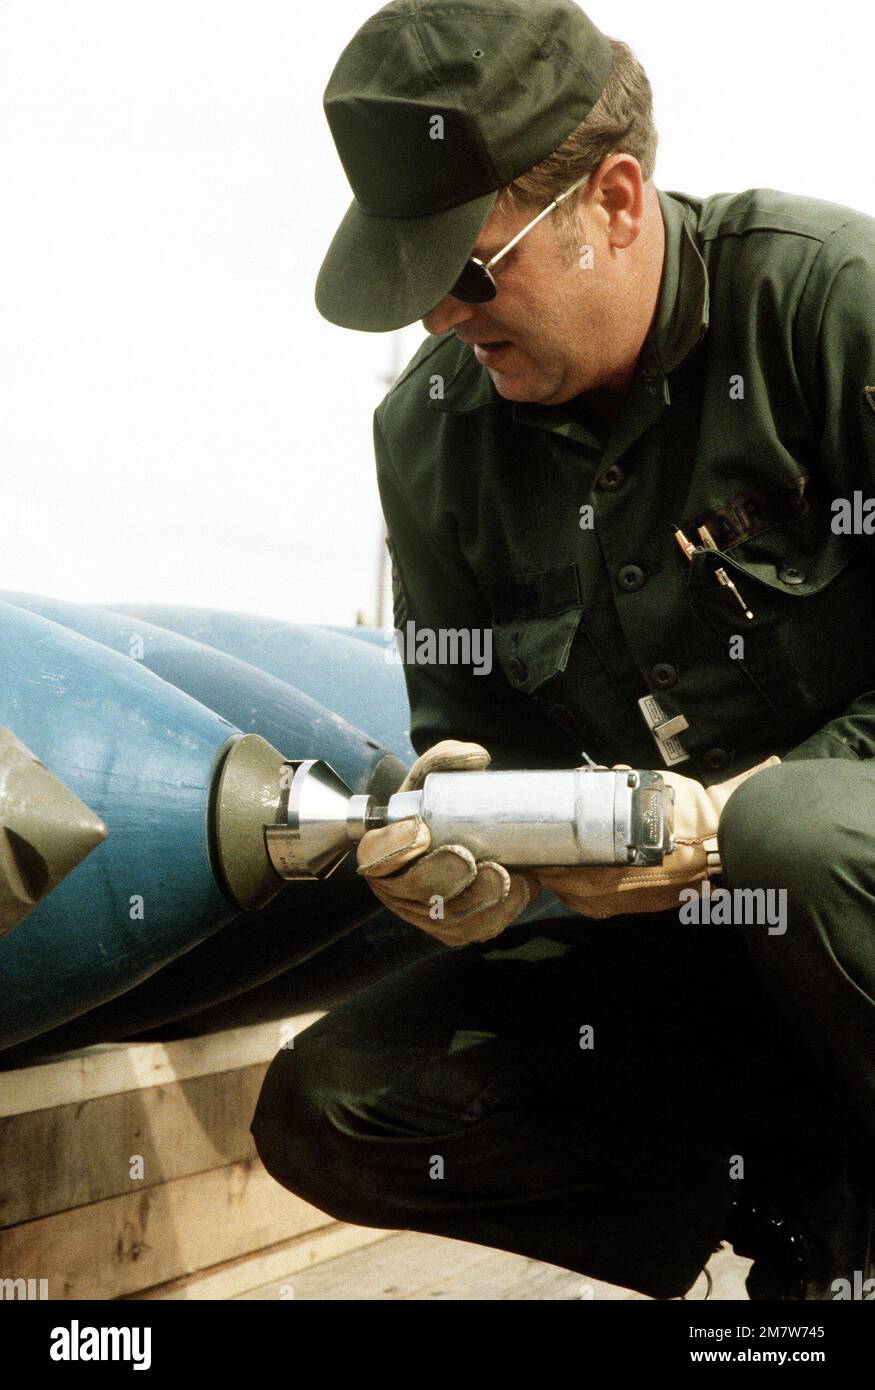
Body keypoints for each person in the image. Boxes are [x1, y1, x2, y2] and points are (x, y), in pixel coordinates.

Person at [252, 0, 875, 1299]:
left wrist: (729, 817)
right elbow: (485, 741)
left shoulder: (829, 311)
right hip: (701, 963)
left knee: (791, 845)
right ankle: (796, 1213)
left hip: (839, 891)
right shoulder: (431, 438)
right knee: (342, 1095)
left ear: (617, 199)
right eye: (408, 280)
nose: (436, 320)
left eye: (469, 269)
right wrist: (483, 862)